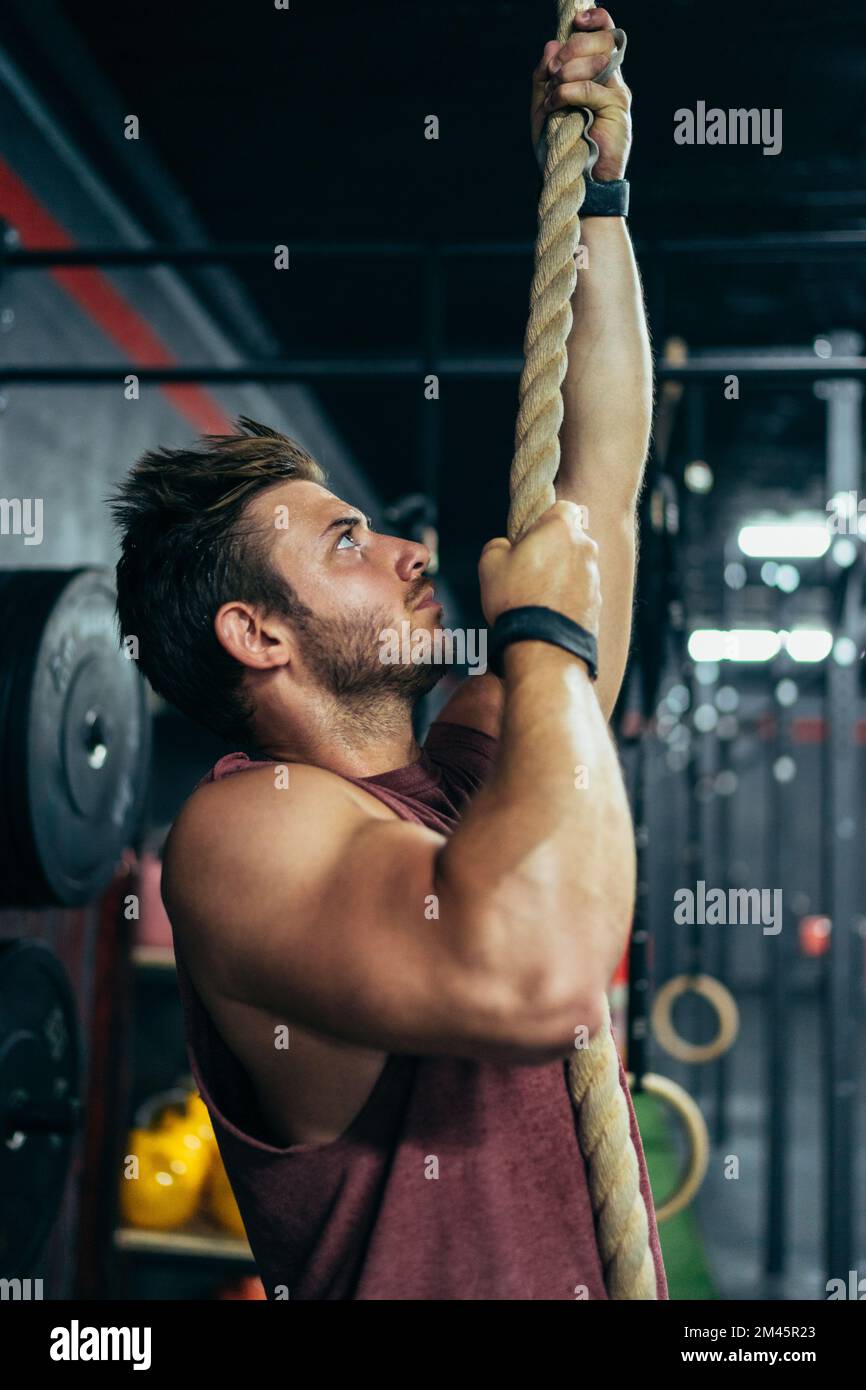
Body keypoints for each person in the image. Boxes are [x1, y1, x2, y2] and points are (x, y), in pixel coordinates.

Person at [111, 5, 665, 1299]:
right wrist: (538, 632)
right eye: (347, 539)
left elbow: (602, 478)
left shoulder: (465, 773)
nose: (411, 546)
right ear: (256, 633)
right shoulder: (244, 835)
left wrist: (598, 197)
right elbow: (528, 964)